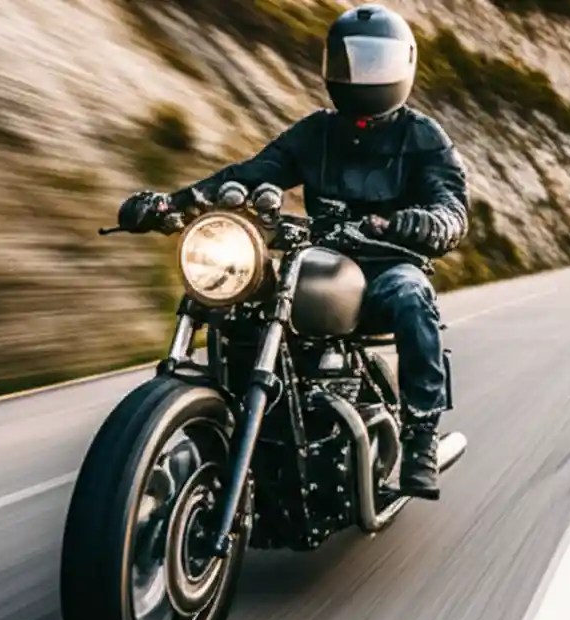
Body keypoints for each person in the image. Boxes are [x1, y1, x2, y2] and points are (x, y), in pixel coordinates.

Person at [118, 4, 468, 500]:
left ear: (402, 65)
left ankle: (420, 434)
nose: (362, 74)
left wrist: (417, 223)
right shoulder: (317, 132)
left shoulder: (424, 137)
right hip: (318, 264)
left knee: (413, 296)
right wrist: (171, 203)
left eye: (375, 62)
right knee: (242, 298)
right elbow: (251, 173)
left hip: (388, 266)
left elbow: (451, 209)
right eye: (352, 61)